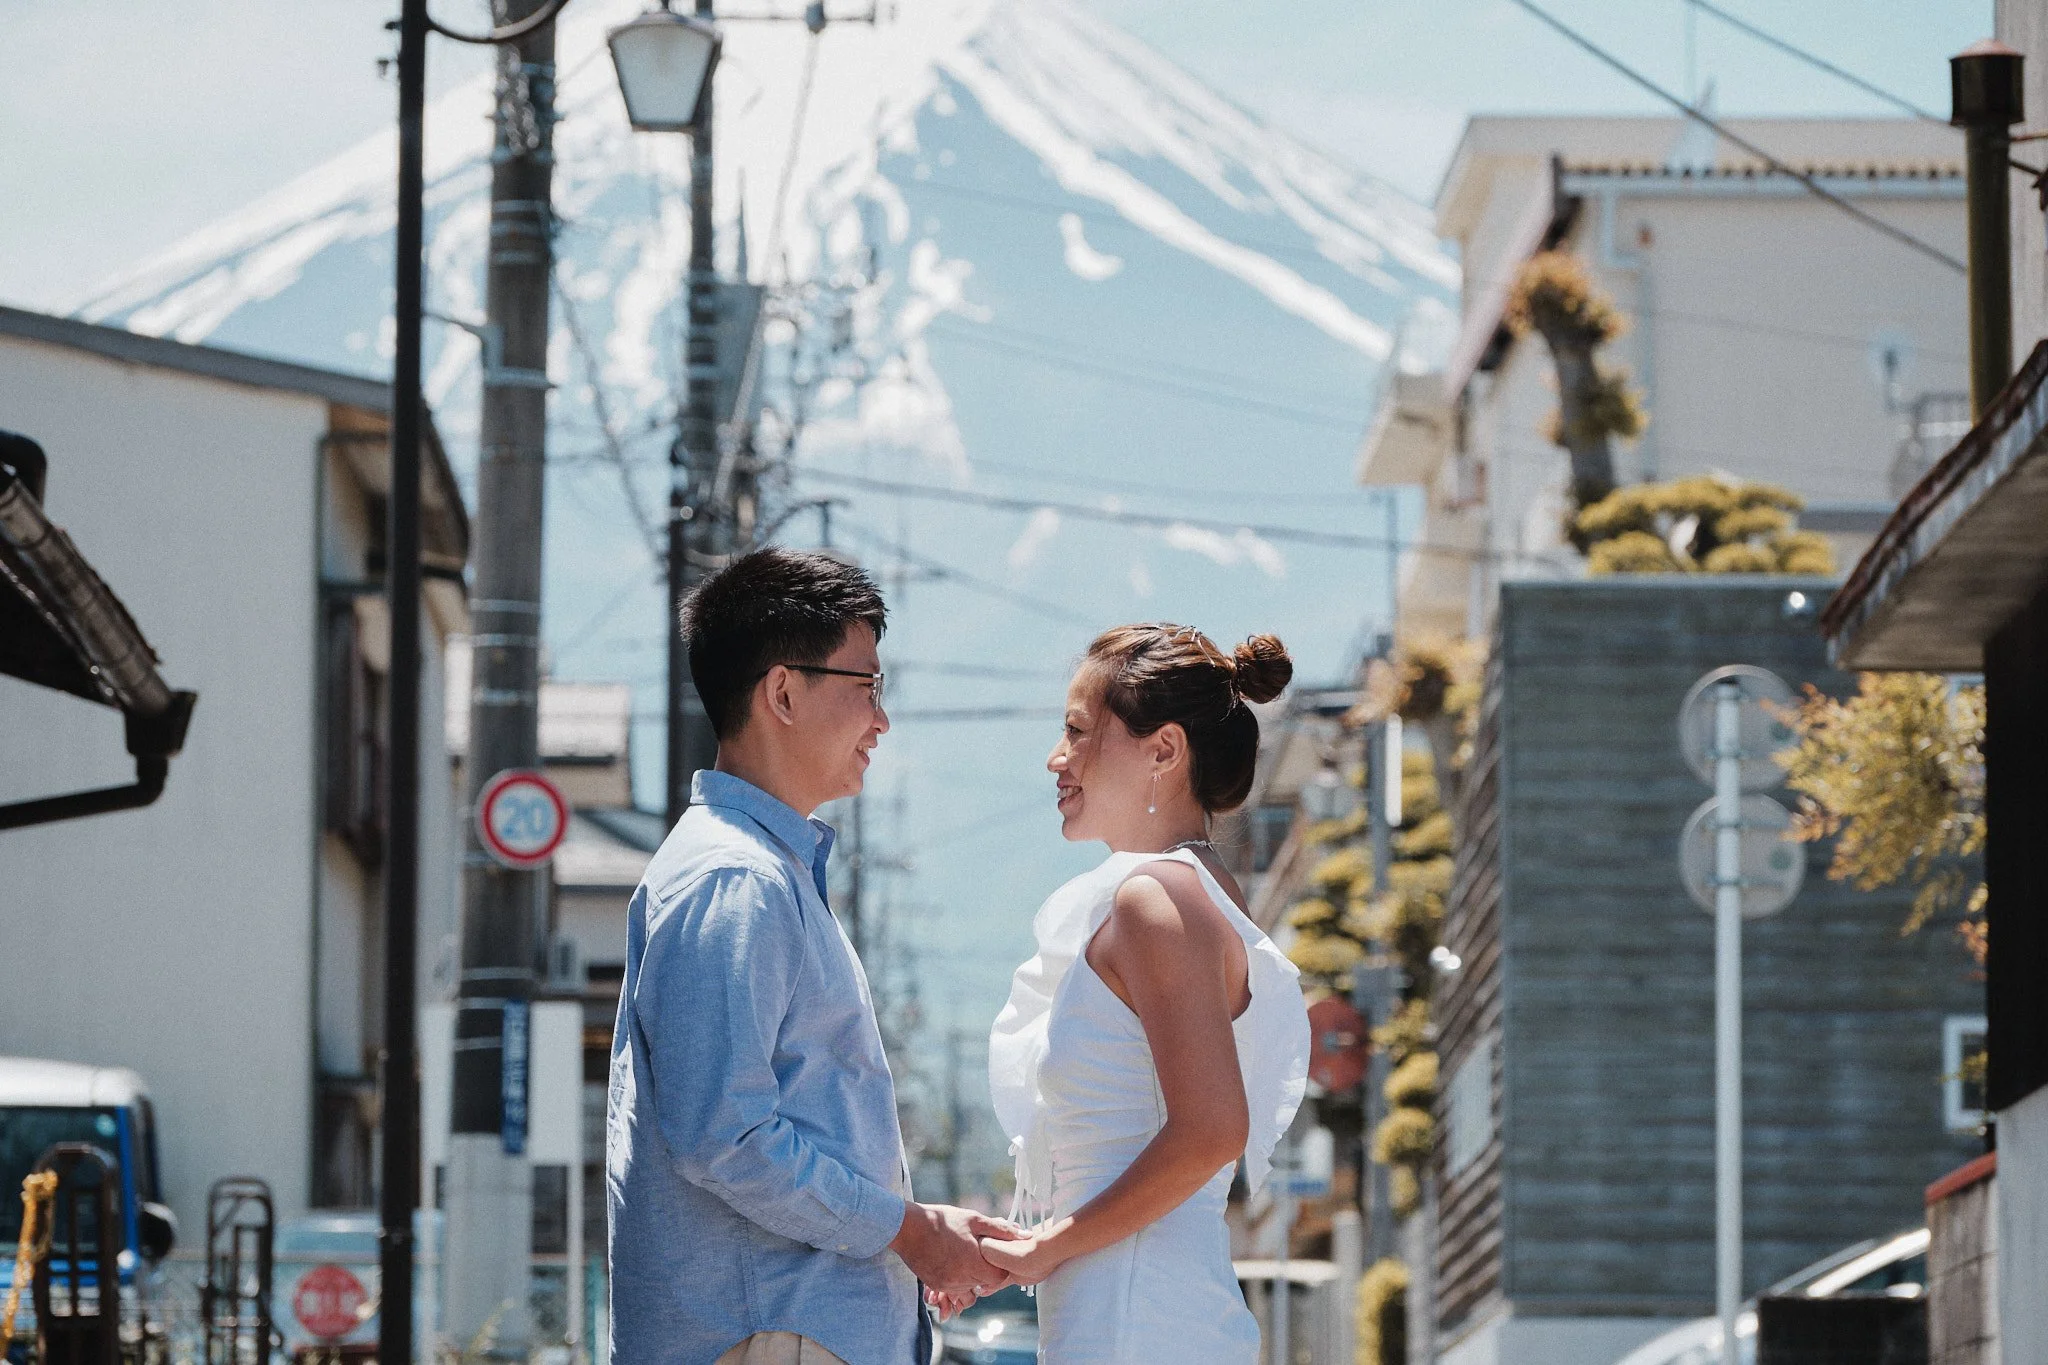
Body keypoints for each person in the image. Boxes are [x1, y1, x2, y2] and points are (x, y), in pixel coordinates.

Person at [606, 547, 1017, 1365]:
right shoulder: (737, 877)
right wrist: (905, 1227)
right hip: (768, 1337)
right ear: (783, 692)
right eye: (867, 686)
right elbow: (727, 1136)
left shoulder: (760, 870)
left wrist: (912, 1230)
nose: (881, 719)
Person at [979, 623, 1312, 1363]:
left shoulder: (1156, 903)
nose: (1055, 759)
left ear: (1163, 749)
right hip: (1142, 1311)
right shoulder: (1191, 895)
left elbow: (1210, 1128)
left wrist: (1050, 1244)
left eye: (1077, 732)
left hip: (1139, 1323)